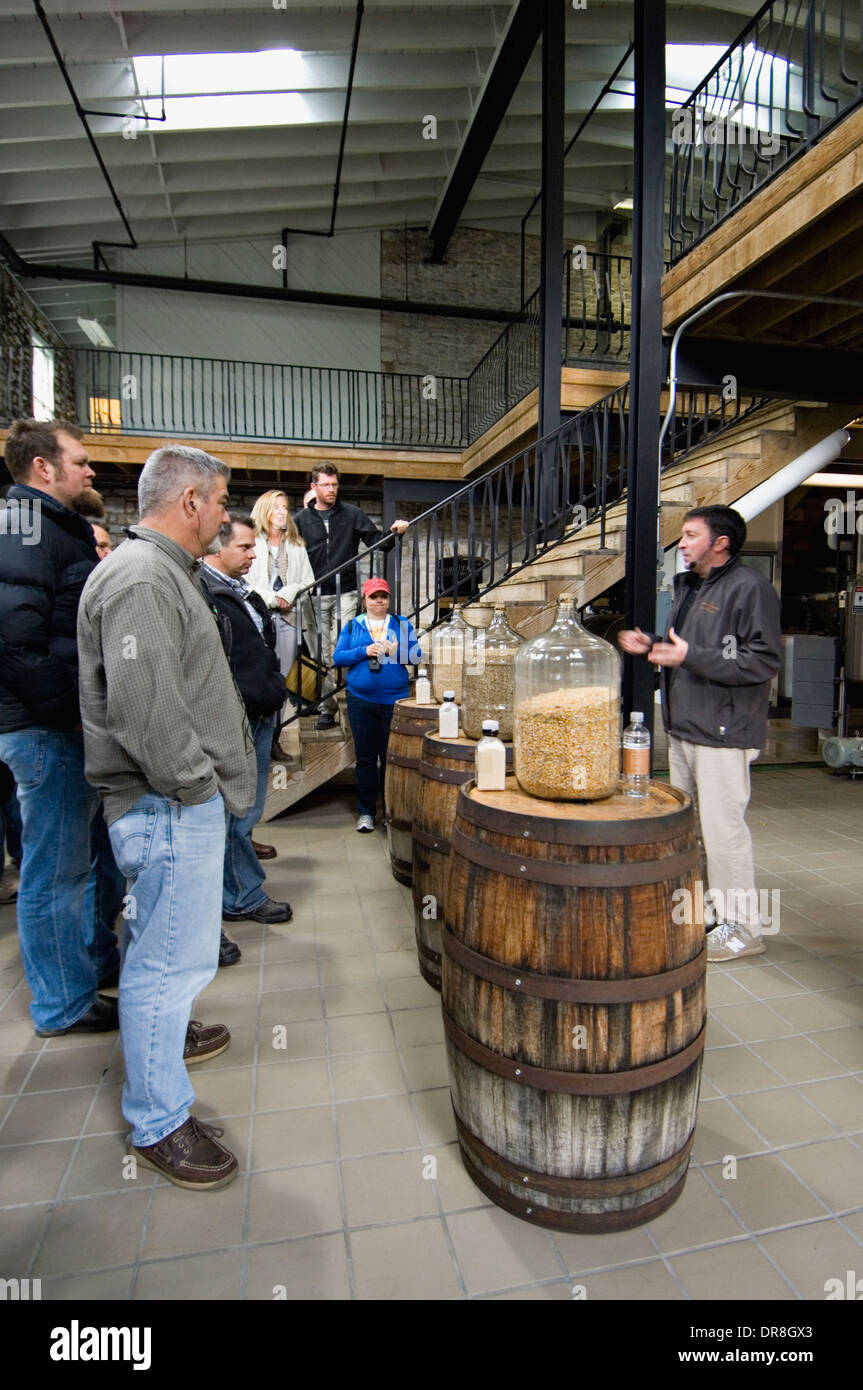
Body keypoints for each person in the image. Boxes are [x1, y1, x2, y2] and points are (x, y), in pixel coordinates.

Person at [77, 444, 257, 1191]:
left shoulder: (158, 573)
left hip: (173, 804)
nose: (223, 515)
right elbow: (147, 713)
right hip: (168, 804)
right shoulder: (144, 578)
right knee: (163, 966)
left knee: (168, 960)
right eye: (218, 502)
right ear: (188, 503)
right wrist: (197, 791)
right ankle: (157, 1121)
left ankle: (159, 1100)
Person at [0, 418, 121, 1035]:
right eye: (79, 460)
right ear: (43, 468)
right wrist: (71, 714)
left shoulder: (51, 527)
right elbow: (17, 647)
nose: (90, 469)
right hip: (46, 730)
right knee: (53, 873)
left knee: (72, 867)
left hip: (58, 725)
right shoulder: (24, 532)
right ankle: (60, 1004)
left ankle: (79, 979)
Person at [618, 506, 782, 963]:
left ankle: (746, 929)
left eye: (691, 535)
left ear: (721, 542)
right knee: (691, 829)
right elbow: (689, 649)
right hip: (687, 726)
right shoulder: (690, 584)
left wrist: (690, 656)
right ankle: (712, 913)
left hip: (724, 730)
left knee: (723, 831)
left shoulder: (750, 587)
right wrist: (653, 646)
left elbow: (762, 662)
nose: (683, 542)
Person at [200, 513, 293, 957]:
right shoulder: (204, 590)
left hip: (258, 714)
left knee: (248, 808)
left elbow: (262, 647)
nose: (254, 554)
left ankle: (238, 891)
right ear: (218, 548)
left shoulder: (243, 592)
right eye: (244, 547)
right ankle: (241, 897)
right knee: (235, 811)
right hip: (234, 719)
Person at [294, 463, 409, 730]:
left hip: (345, 591)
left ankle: (348, 696)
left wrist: (396, 531)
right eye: (326, 485)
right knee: (321, 653)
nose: (332, 489)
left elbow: (380, 542)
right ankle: (327, 706)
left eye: (335, 485)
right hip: (314, 593)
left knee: (337, 647)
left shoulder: (351, 514)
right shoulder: (300, 521)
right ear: (314, 488)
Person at [333, 577, 421, 832]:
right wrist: (365, 651)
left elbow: (416, 657)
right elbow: (338, 658)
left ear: (389, 599)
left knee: (391, 758)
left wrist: (396, 652)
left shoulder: (401, 624)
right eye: (374, 596)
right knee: (366, 759)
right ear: (365, 600)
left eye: (383, 596)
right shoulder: (353, 626)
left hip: (394, 700)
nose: (379, 601)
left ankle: (391, 811)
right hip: (361, 699)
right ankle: (366, 813)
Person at [247, 489, 314, 760]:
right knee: (258, 679)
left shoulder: (296, 545)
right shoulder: (252, 541)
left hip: (288, 620)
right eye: (276, 508)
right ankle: (252, 740)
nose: (282, 512)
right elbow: (243, 581)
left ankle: (273, 740)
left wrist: (290, 592)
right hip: (257, 617)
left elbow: (308, 581)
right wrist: (270, 597)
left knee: (281, 682)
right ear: (264, 511)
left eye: (285, 507)